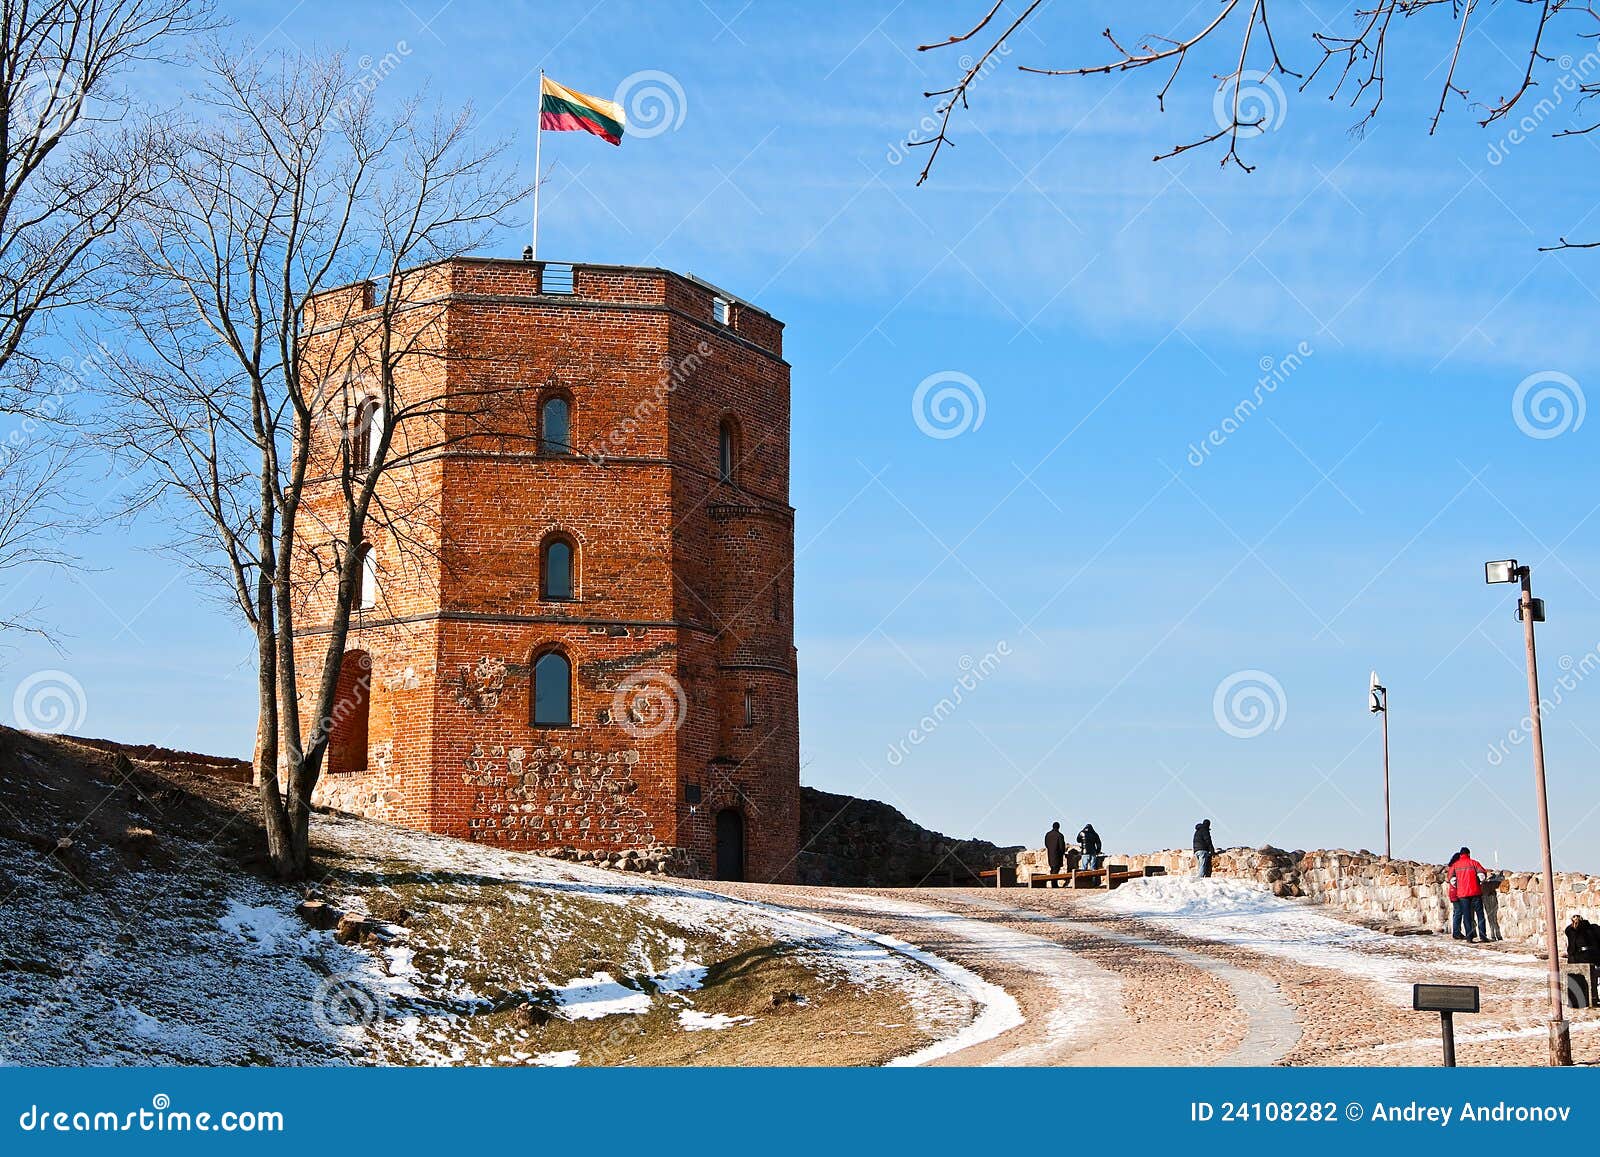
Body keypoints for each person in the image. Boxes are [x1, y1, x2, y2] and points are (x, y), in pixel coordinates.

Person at [1450, 847, 1489, 943]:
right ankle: (1483, 936)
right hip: (1475, 892)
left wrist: (1460, 886)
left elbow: (1452, 880)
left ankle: (1469, 937)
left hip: (1462, 894)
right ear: (1469, 854)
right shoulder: (1475, 863)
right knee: (1480, 914)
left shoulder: (1455, 865)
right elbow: (1482, 876)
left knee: (1466, 916)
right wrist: (1479, 883)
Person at [1445, 851, 1464, 939]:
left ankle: (1456, 931)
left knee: (1456, 912)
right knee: (1458, 912)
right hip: (1456, 893)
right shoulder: (1455, 868)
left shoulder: (1451, 867)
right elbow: (1454, 881)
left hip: (1453, 892)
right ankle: (1456, 933)